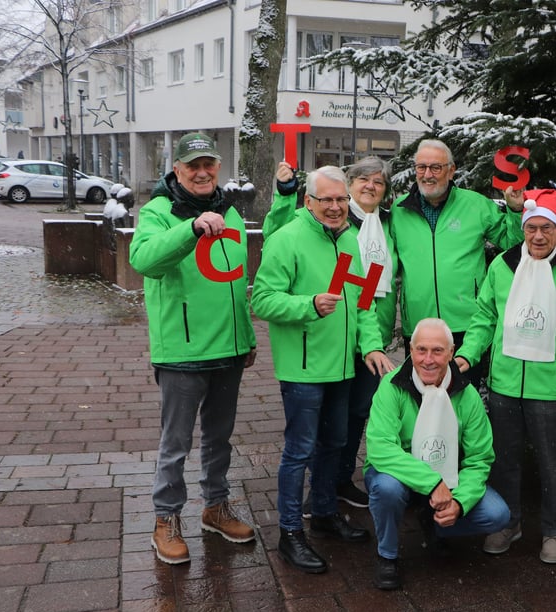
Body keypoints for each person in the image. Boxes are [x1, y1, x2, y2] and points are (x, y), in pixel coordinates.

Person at [252, 165, 395, 574]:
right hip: (303, 369)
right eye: (326, 199)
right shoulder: (286, 239)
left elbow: (364, 303)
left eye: (340, 199)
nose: (335, 207)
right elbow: (261, 300)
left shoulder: (351, 239)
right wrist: (308, 305)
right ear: (308, 201)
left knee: (335, 443)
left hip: (343, 367)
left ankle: (325, 513)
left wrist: (371, 345)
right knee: (299, 451)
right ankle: (290, 532)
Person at [129, 132, 257, 565]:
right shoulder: (158, 211)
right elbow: (144, 260)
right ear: (177, 169)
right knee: (176, 443)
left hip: (228, 349)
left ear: (217, 167)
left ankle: (215, 507)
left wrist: (246, 337)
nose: (202, 173)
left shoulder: (229, 211)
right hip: (182, 352)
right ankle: (166, 518)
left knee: (219, 439)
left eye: (209, 165)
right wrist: (191, 227)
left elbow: (234, 282)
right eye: (193, 166)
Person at [455, 189, 556, 564]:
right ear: (523, 229)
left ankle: (553, 531)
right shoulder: (502, 265)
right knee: (505, 459)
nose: (537, 236)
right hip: (504, 382)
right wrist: (468, 353)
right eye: (531, 228)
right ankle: (509, 523)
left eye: (546, 228)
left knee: (551, 464)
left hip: (549, 387)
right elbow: (485, 317)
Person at [364, 318, 511, 590]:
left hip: (449, 475)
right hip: (401, 474)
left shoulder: (467, 395)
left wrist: (460, 503)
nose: (428, 359)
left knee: (498, 514)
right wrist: (432, 482)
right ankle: (388, 555)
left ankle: (436, 524)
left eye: (437, 351)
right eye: (421, 350)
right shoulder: (391, 386)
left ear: (451, 352)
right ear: (410, 350)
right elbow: (380, 448)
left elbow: (479, 459)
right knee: (386, 488)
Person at [389, 139, 525, 383]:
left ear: (451, 171)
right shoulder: (399, 210)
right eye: (421, 167)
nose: (427, 175)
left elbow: (511, 242)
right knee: (420, 399)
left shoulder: (475, 205)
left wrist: (515, 211)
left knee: (461, 397)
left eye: (435, 167)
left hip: (466, 325)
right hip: (420, 327)